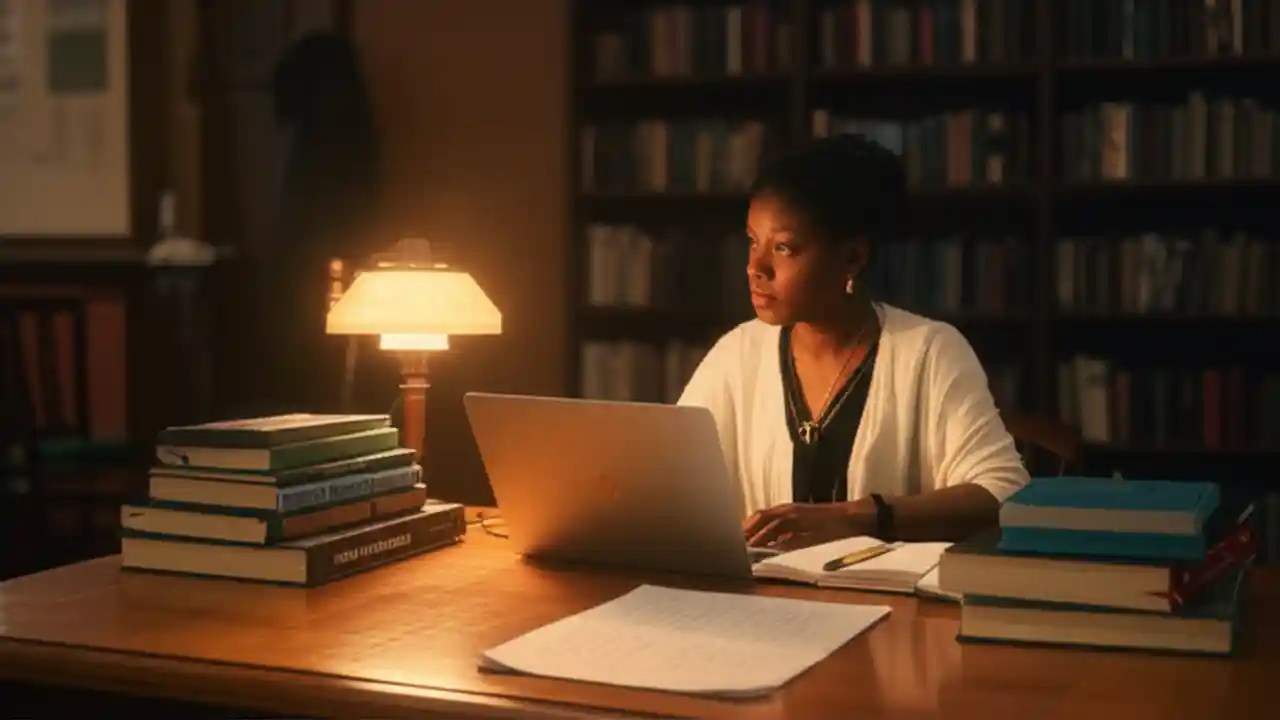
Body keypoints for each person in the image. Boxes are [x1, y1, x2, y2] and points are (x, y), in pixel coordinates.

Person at [678, 134, 1029, 552]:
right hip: (761, 605)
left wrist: (858, 516)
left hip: (891, 610)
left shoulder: (928, 351)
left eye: (784, 248)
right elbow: (668, 478)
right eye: (753, 242)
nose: (756, 267)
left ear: (852, 259)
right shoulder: (737, 354)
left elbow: (1003, 494)